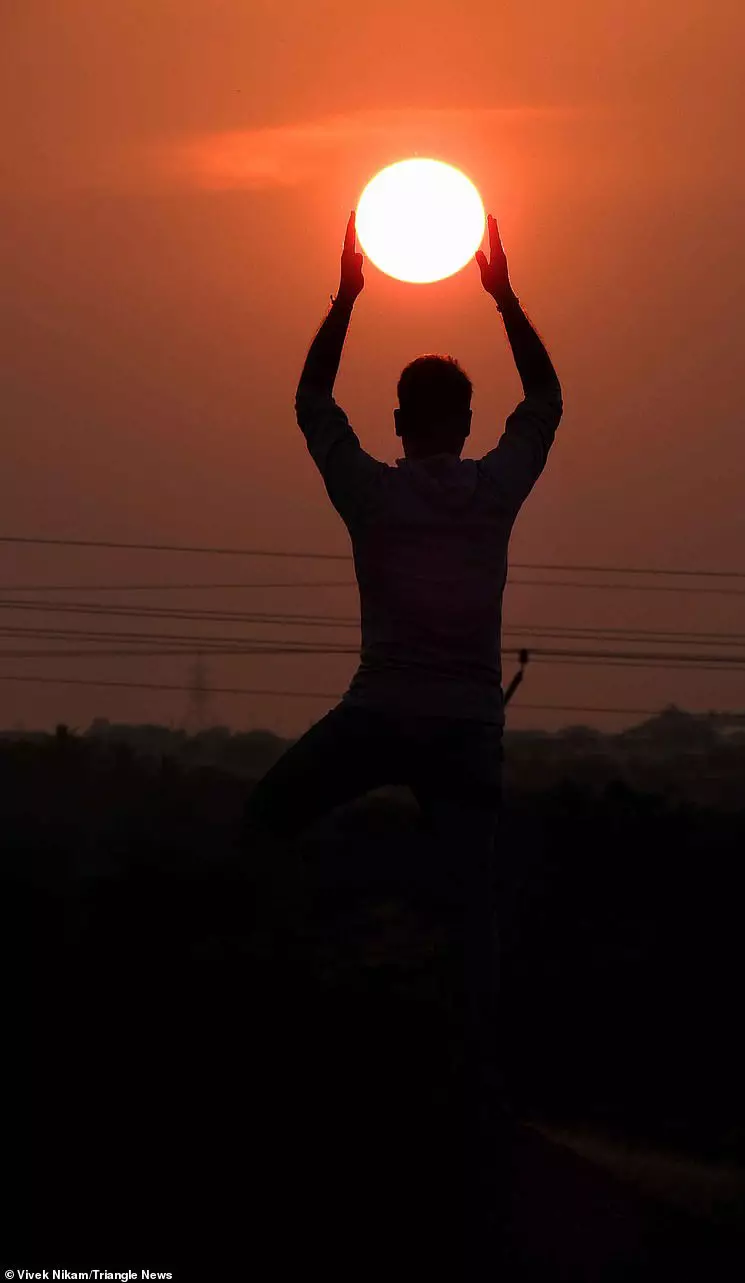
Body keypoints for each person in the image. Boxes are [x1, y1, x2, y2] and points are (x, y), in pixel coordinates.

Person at [239, 210, 563, 1270]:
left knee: (262, 823)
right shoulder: (493, 491)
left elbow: (304, 403)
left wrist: (344, 297)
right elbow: (550, 403)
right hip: (466, 732)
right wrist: (506, 296)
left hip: (379, 717)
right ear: (466, 420)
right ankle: (483, 1093)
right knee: (478, 929)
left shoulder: (372, 493)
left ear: (399, 417)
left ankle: (293, 987)